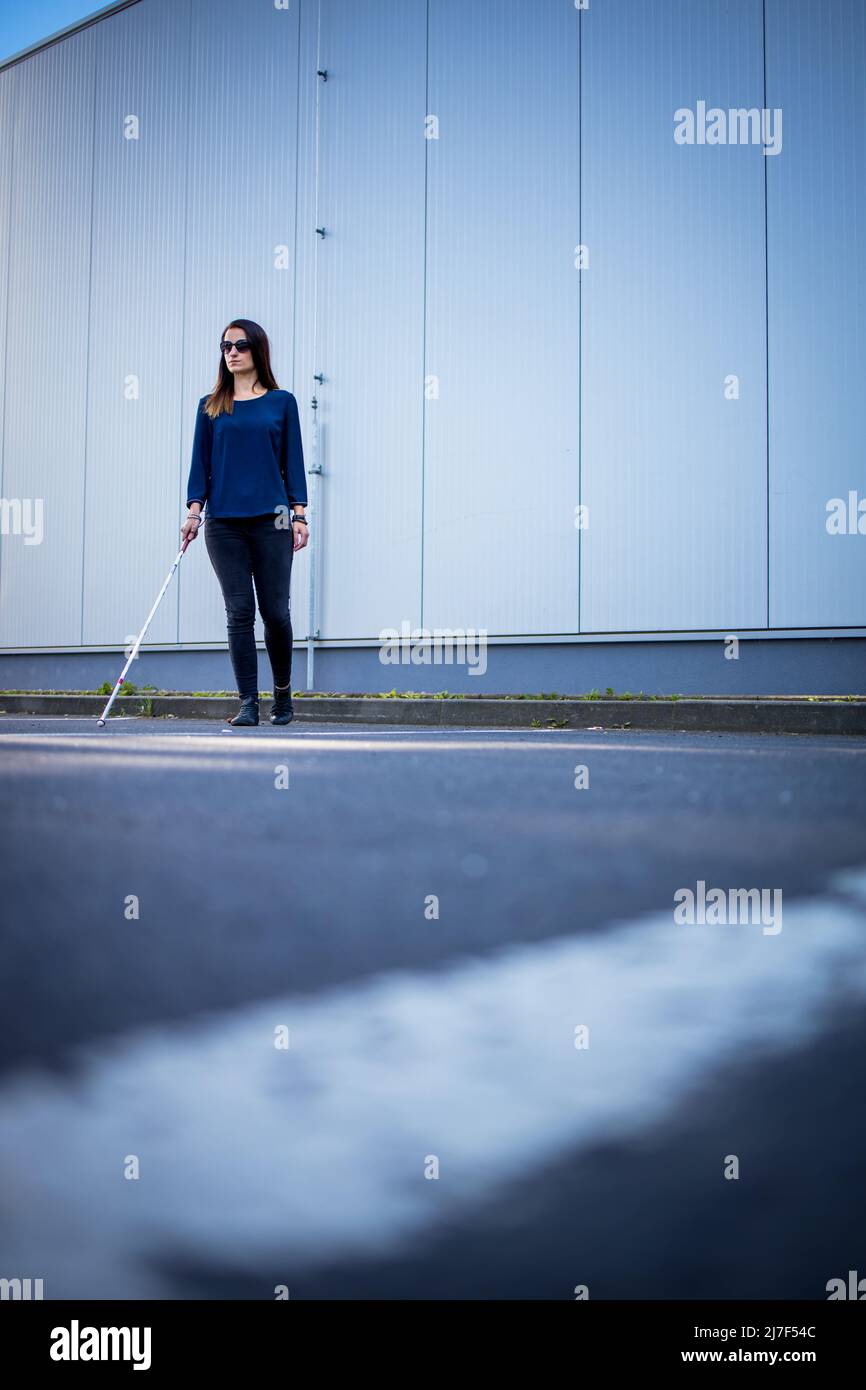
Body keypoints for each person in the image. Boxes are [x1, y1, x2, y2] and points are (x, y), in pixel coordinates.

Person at [182, 319, 309, 727]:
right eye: (224, 346)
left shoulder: (281, 402)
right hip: (224, 523)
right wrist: (192, 511)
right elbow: (199, 465)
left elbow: (294, 463)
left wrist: (300, 515)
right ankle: (249, 703)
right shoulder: (211, 405)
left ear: (257, 349)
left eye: (239, 345)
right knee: (239, 612)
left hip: (273, 520)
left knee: (276, 613)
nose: (231, 352)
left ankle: (283, 695)